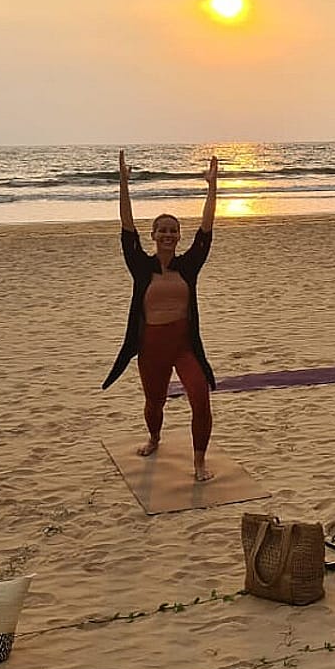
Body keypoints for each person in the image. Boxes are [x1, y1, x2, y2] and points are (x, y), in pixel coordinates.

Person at [102, 150, 219, 481]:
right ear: (153, 236)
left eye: (173, 230)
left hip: (183, 346)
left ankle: (198, 462)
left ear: (178, 236)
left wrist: (212, 187)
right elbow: (126, 229)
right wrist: (123, 183)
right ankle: (154, 438)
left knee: (200, 398)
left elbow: (207, 231)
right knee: (155, 404)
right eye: (161, 230)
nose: (167, 234)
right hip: (151, 347)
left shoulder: (188, 266)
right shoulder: (141, 267)